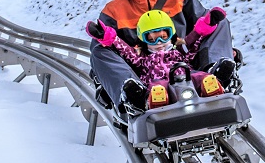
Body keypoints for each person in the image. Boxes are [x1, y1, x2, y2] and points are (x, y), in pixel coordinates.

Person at [87, 0, 237, 110]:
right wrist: (104, 37)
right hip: (142, 70)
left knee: (218, 23)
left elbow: (202, 26)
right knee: (99, 50)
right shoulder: (114, 9)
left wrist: (212, 26)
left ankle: (215, 73)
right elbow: (103, 46)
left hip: (185, 60)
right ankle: (132, 93)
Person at [88, 9, 226, 109]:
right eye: (152, 39)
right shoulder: (142, 59)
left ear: (171, 35)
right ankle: (156, 101)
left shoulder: (179, 51)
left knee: (199, 75)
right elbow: (124, 50)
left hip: (186, 80)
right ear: (143, 40)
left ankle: (211, 86)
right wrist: (108, 37)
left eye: (164, 37)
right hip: (159, 84)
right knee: (157, 87)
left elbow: (194, 38)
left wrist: (207, 24)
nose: (159, 42)